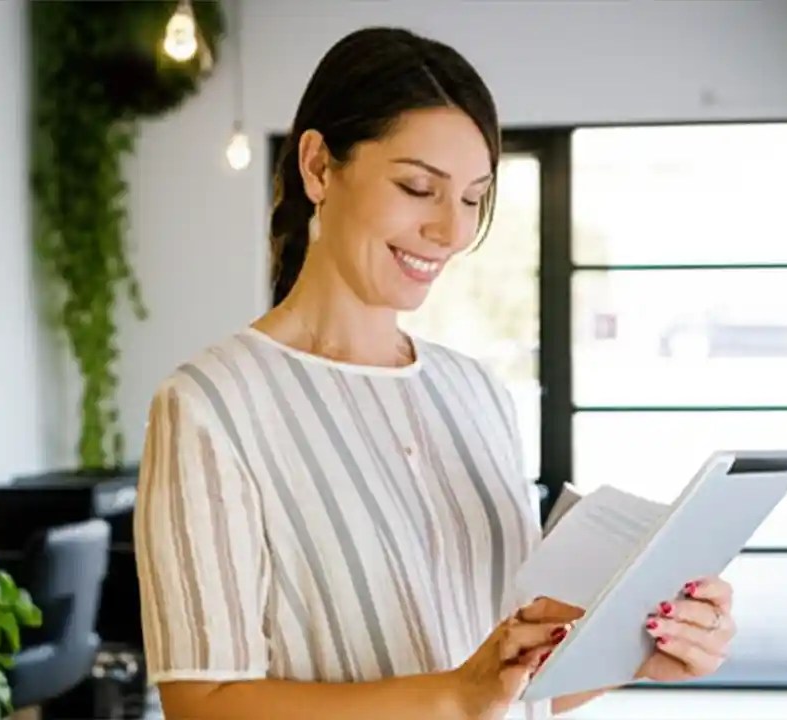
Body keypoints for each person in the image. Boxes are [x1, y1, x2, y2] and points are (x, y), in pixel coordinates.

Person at [133, 26, 737, 720]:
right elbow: (202, 702)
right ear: (318, 167)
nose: (450, 232)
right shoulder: (212, 404)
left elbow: (514, 689)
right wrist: (452, 694)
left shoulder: (476, 392)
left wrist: (636, 649)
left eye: (473, 198)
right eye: (419, 187)